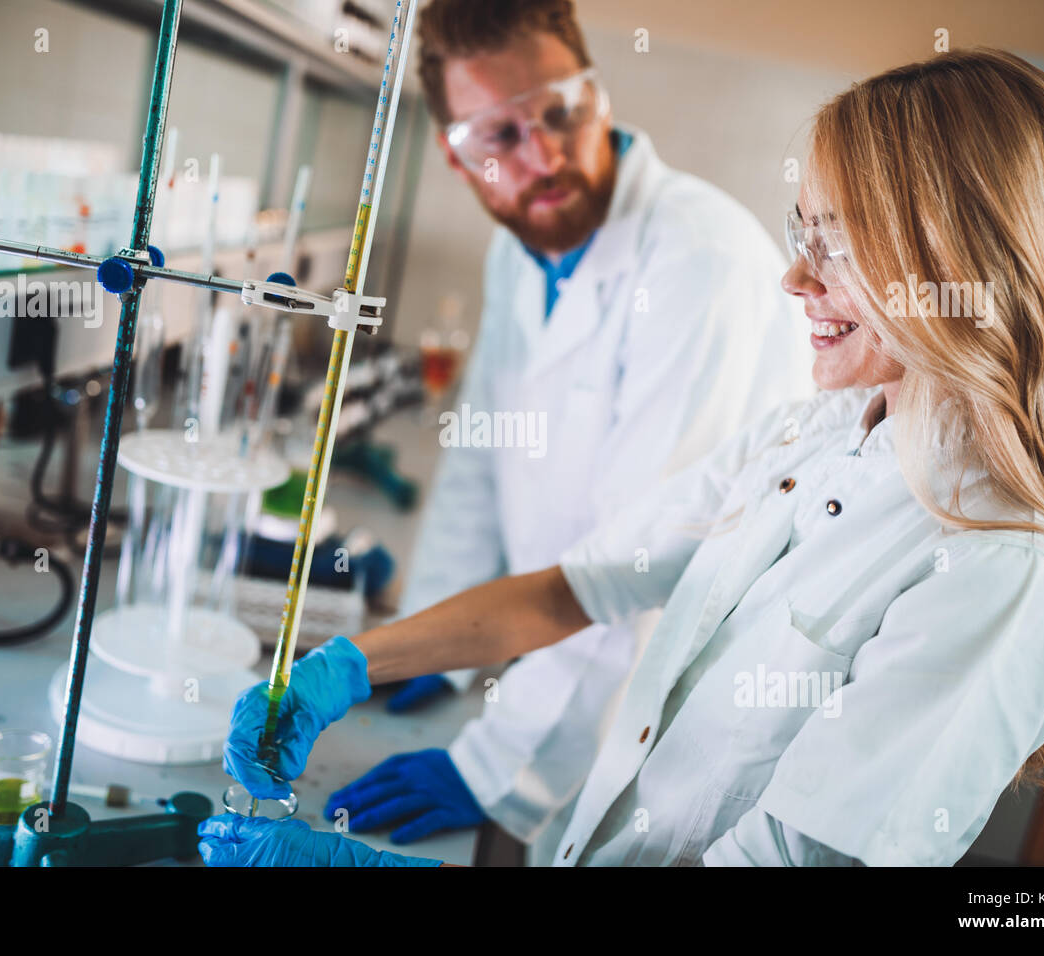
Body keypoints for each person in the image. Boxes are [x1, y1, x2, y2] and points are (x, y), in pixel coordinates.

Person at [200, 47, 1044, 867]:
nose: (796, 276)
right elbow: (575, 589)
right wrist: (345, 668)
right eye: (803, 229)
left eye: (841, 241)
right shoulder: (809, 434)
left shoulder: (1001, 571)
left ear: (967, 261)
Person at [298, 0, 807, 862]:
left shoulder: (695, 259)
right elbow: (480, 457)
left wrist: (492, 768)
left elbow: (634, 571)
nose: (544, 158)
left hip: (663, 717)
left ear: (597, 96)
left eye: (560, 112)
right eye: (498, 138)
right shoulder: (520, 250)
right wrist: (432, 639)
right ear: (460, 163)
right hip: (556, 659)